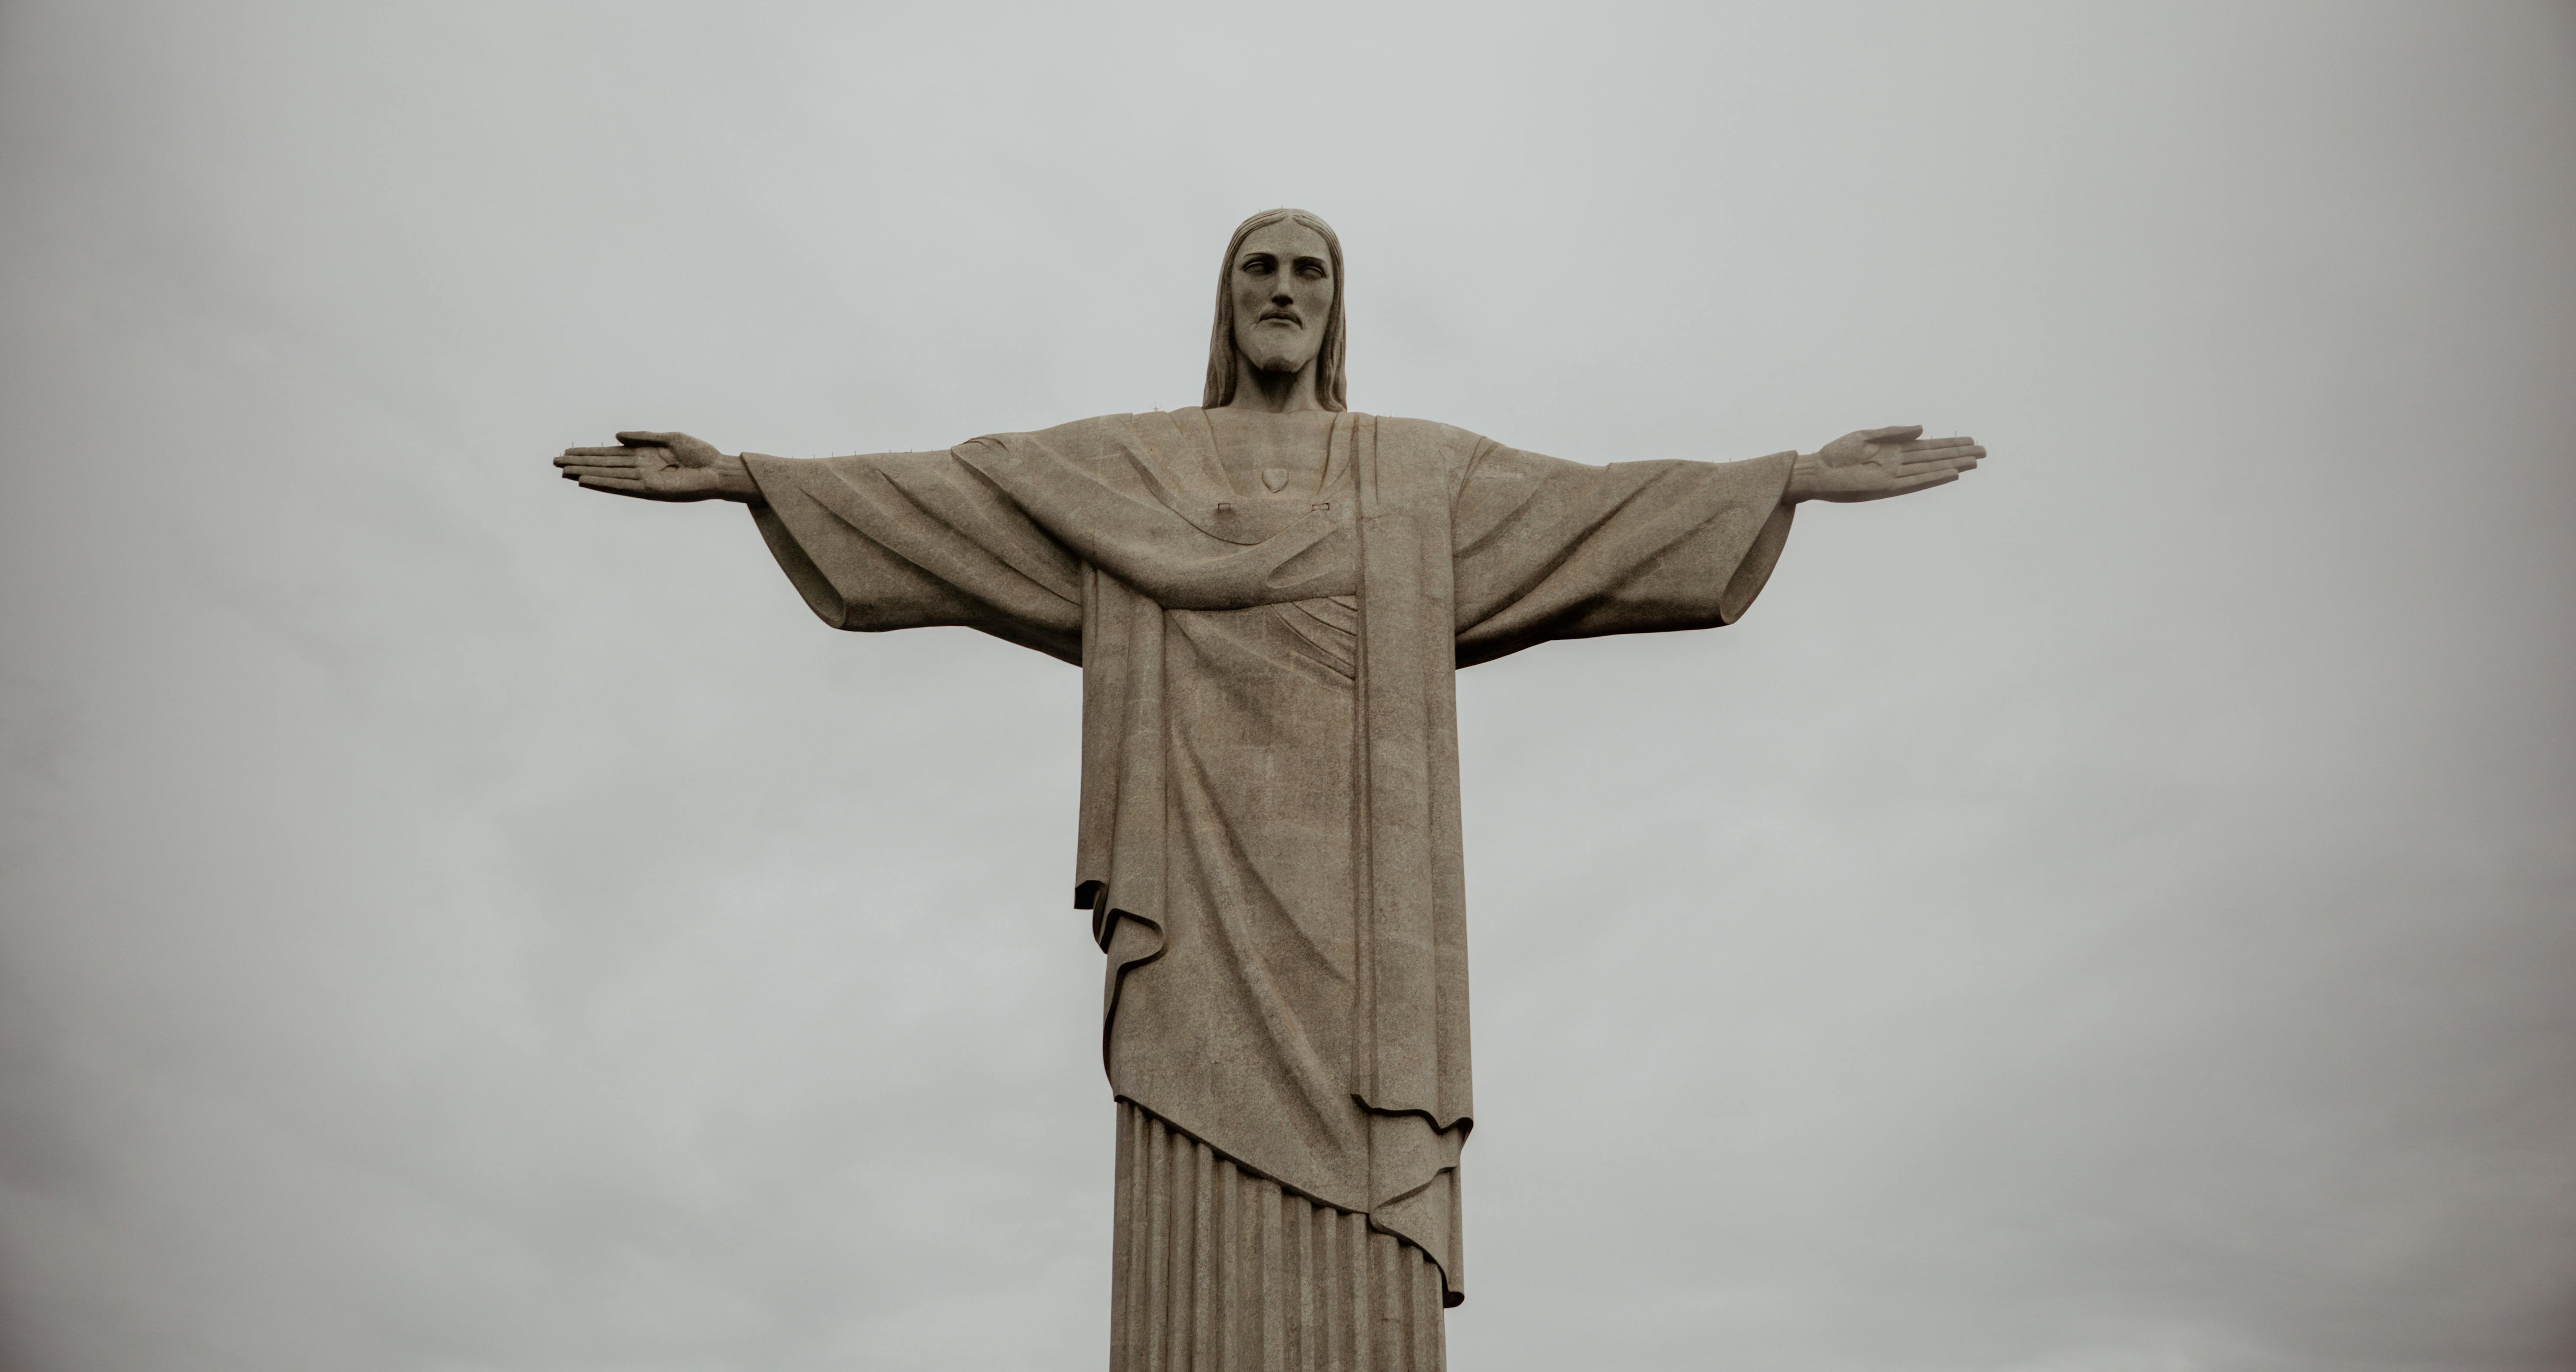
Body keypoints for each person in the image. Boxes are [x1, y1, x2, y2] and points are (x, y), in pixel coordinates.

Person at [555, 207, 1983, 1371]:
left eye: (1309, 271)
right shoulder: (1136, 466)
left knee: (1360, 1206)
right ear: (1226, 301)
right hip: (1191, 904)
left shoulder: (1417, 474)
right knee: (1191, 1204)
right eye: (1260, 270)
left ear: (1338, 307)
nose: (1284, 291)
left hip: (1367, 934)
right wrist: (746, 477)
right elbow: (959, 495)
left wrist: (1790, 478)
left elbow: (1595, 508)